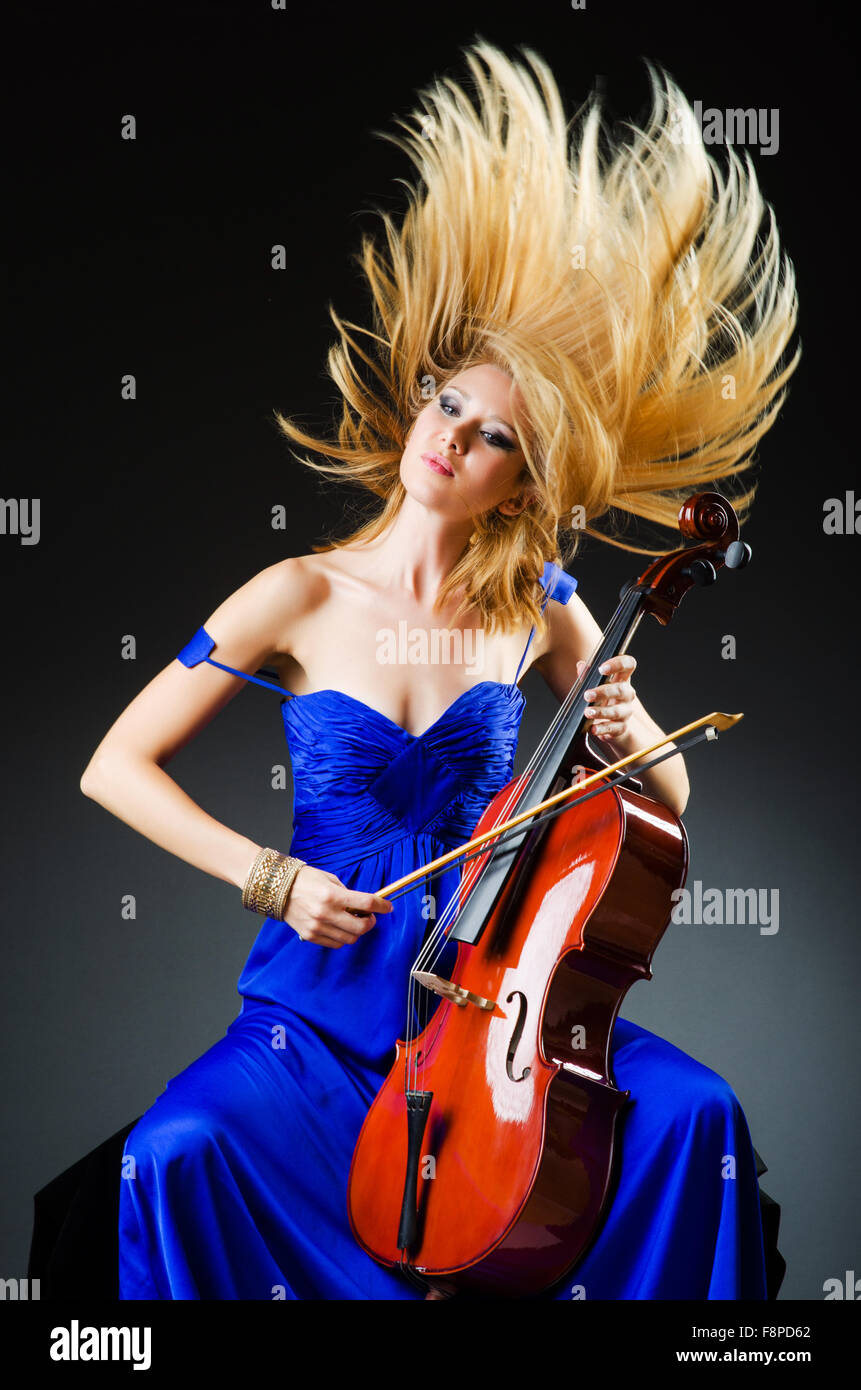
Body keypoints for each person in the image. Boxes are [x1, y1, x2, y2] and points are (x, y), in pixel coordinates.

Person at [79, 41, 798, 1300]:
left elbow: (667, 808)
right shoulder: (293, 594)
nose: (453, 440)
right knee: (171, 1153)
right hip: (313, 1020)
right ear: (418, 413)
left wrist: (632, 735)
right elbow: (111, 767)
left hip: (488, 1011)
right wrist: (273, 877)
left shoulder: (546, 601)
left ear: (522, 475)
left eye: (495, 437)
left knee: (695, 1121)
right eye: (445, 408)